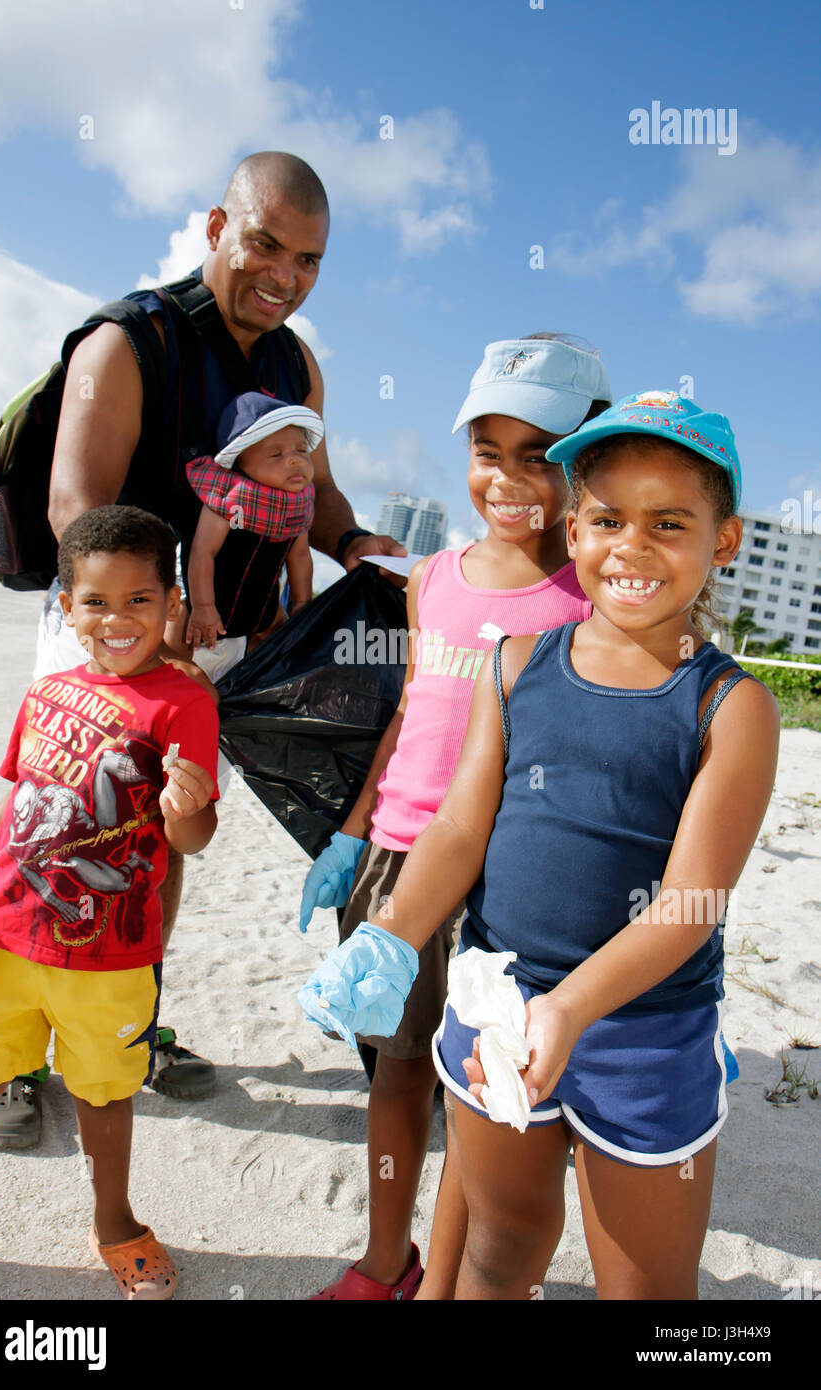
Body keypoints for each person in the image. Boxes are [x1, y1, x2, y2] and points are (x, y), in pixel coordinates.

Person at [300, 391, 780, 1300]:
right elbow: (457, 826)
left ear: (723, 540)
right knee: (500, 1244)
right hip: (498, 1003)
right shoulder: (516, 661)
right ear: (576, 521)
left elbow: (688, 907)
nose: (631, 546)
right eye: (606, 517)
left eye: (668, 522)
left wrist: (572, 1010)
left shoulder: (731, 706)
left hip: (644, 1030)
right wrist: (391, 933)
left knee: (645, 1291)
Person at [0, 150, 405, 1146]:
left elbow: (309, 488)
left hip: (213, 648)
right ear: (216, 226)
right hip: (109, 628)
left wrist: (350, 545)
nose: (285, 275)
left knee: (161, 837)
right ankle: (11, 1048)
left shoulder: (294, 364)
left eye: (308, 259)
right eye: (266, 243)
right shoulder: (128, 340)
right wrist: (161, 607)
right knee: (52, 829)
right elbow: (73, 503)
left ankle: (129, 1017)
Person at [298, 336, 612, 1299]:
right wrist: (352, 831)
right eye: (489, 450)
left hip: (509, 883)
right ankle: (385, 1262)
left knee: (484, 1097)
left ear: (584, 461)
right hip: (398, 863)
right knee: (393, 1079)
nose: (509, 479)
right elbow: (405, 716)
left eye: (539, 453)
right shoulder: (431, 580)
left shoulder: (591, 596)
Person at [0, 506, 219, 1299]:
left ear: (172, 603)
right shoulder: (49, 690)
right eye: (95, 602)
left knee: (104, 1092)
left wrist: (189, 807)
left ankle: (115, 1220)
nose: (117, 619)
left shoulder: (184, 702)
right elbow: (19, 796)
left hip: (106, 955)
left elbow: (194, 839)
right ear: (64, 608)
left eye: (140, 600)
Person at [184, 391, 322, 678]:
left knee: (283, 649)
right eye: (276, 454)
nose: (295, 461)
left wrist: (302, 604)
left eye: (301, 450)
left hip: (262, 608)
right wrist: (203, 606)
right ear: (241, 464)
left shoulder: (296, 504)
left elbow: (299, 556)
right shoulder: (229, 496)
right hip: (208, 602)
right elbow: (202, 552)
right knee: (178, 643)